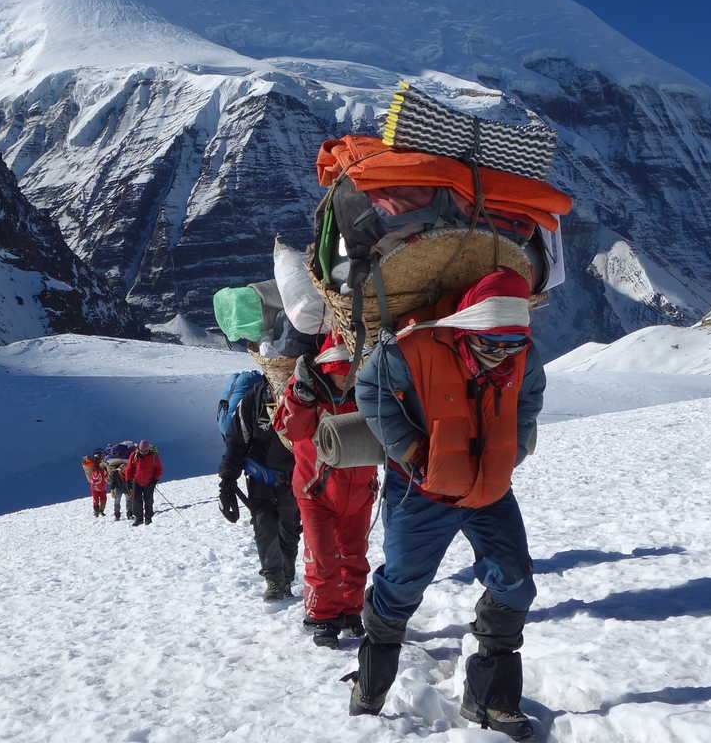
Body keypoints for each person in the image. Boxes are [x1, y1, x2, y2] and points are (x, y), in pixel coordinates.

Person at [347, 267, 544, 740]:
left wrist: (508, 453)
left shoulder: (523, 355)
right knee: (401, 584)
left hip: (489, 488)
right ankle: (371, 687)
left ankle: (493, 701)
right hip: (420, 489)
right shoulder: (409, 349)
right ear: (467, 326)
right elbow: (370, 392)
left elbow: (529, 400)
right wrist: (412, 453)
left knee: (514, 581)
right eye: (491, 345)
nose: (502, 356)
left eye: (512, 346)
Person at [274, 334, 377, 648]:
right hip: (315, 491)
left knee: (355, 556)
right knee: (322, 558)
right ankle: (321, 617)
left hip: (360, 491)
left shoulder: (368, 391)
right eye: (340, 368)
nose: (346, 374)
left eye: (351, 367)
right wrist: (299, 395)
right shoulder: (308, 394)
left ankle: (350, 611)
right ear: (326, 367)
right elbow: (288, 429)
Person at [218, 370, 301, 600]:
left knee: (289, 531)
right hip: (261, 478)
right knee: (265, 528)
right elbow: (236, 443)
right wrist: (227, 481)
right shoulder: (253, 401)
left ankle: (286, 578)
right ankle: (274, 579)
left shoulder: (301, 396)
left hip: (293, 478)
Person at [125, 440, 164, 525]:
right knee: (136, 501)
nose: (143, 453)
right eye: (141, 451)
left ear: (148, 449)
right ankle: (139, 519)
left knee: (148, 501)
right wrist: (128, 481)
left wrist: (155, 480)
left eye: (145, 451)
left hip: (149, 482)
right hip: (137, 481)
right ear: (139, 449)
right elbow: (129, 469)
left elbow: (159, 469)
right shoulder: (134, 455)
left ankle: (148, 518)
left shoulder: (154, 456)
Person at [82, 453, 109, 517]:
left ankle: (98, 512)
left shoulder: (96, 467)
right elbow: (106, 476)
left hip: (96, 487)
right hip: (99, 487)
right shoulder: (99, 468)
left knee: (99, 500)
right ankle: (98, 512)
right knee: (101, 499)